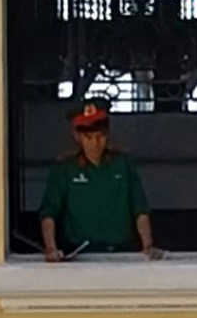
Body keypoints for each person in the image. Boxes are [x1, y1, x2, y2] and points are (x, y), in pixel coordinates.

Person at [38, 89, 158, 261]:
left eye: (100, 136)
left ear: (107, 135)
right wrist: (51, 249)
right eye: (88, 137)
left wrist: (148, 246)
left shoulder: (123, 164)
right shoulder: (65, 168)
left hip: (122, 252)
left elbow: (140, 209)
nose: (95, 143)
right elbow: (49, 214)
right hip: (80, 255)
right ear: (77, 137)